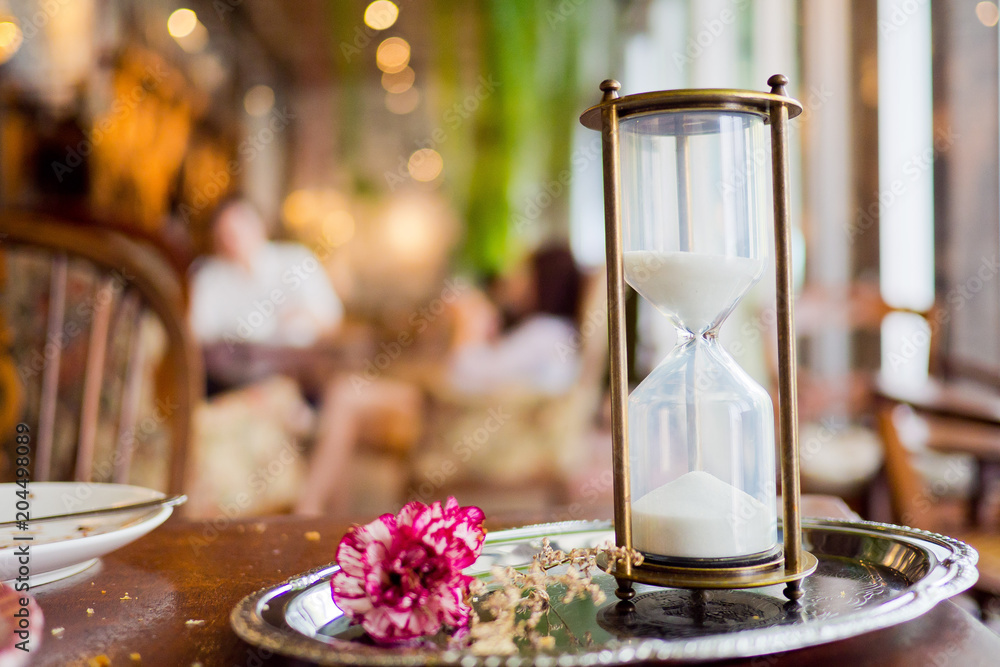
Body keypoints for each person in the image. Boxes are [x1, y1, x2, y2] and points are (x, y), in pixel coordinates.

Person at [189, 198, 343, 351]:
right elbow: (198, 334)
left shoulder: (297, 260)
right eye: (227, 233)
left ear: (260, 225)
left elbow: (332, 321)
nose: (235, 239)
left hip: (298, 363)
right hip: (232, 369)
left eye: (242, 228)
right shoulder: (210, 276)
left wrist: (303, 318)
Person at [448, 244, 584, 395]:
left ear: (541, 281)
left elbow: (470, 377)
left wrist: (466, 323)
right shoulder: (558, 331)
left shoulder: (545, 332)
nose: (512, 277)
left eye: (524, 271)